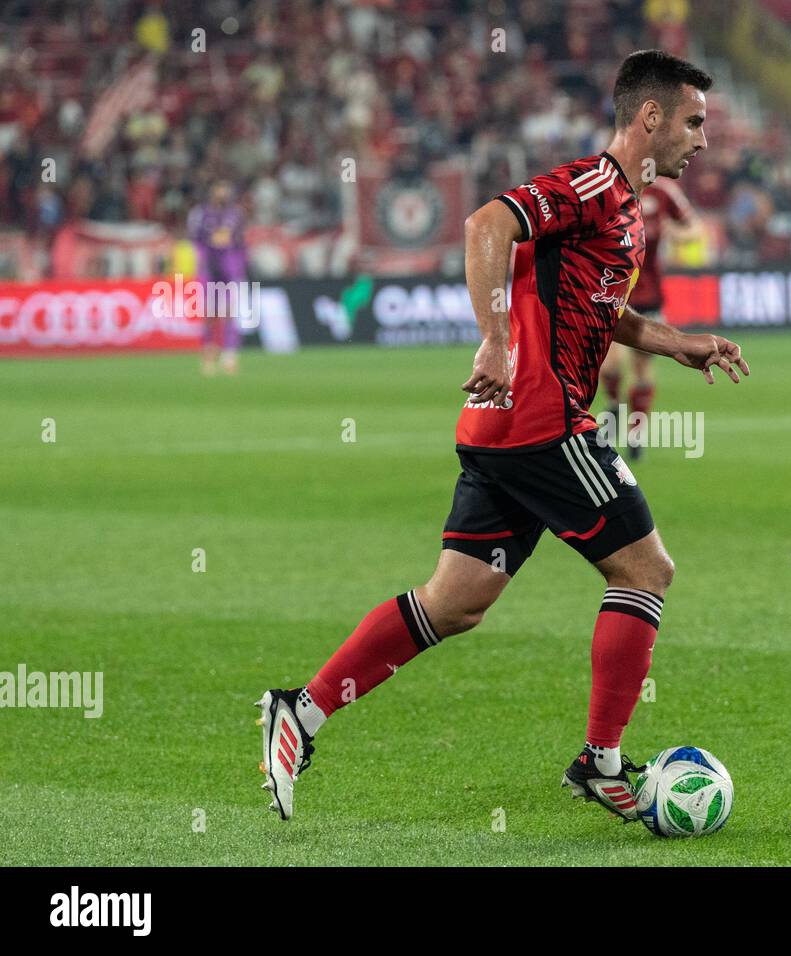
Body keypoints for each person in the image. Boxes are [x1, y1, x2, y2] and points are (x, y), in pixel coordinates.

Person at [255, 50, 749, 824]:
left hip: (500, 432)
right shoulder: (594, 184)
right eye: (693, 121)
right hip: (542, 422)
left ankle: (300, 713)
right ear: (649, 118)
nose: (703, 139)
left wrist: (672, 340)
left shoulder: (624, 214)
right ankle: (603, 763)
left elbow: (598, 309)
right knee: (646, 571)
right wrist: (494, 339)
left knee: (455, 603)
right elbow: (486, 221)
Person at [599, 176, 699, 458]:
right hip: (614, 294)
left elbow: (694, 229)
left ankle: (636, 433)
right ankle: (614, 404)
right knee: (609, 366)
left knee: (641, 368)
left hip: (649, 297)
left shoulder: (664, 192)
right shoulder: (608, 190)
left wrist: (673, 234)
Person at [188, 180, 248, 375]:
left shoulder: (236, 214)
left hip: (229, 267)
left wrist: (239, 265)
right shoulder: (201, 214)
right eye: (219, 190)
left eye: (225, 190)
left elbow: (240, 241)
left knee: (229, 312)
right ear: (212, 193)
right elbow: (194, 239)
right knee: (210, 314)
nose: (223, 194)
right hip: (209, 267)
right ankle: (207, 353)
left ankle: (230, 355)